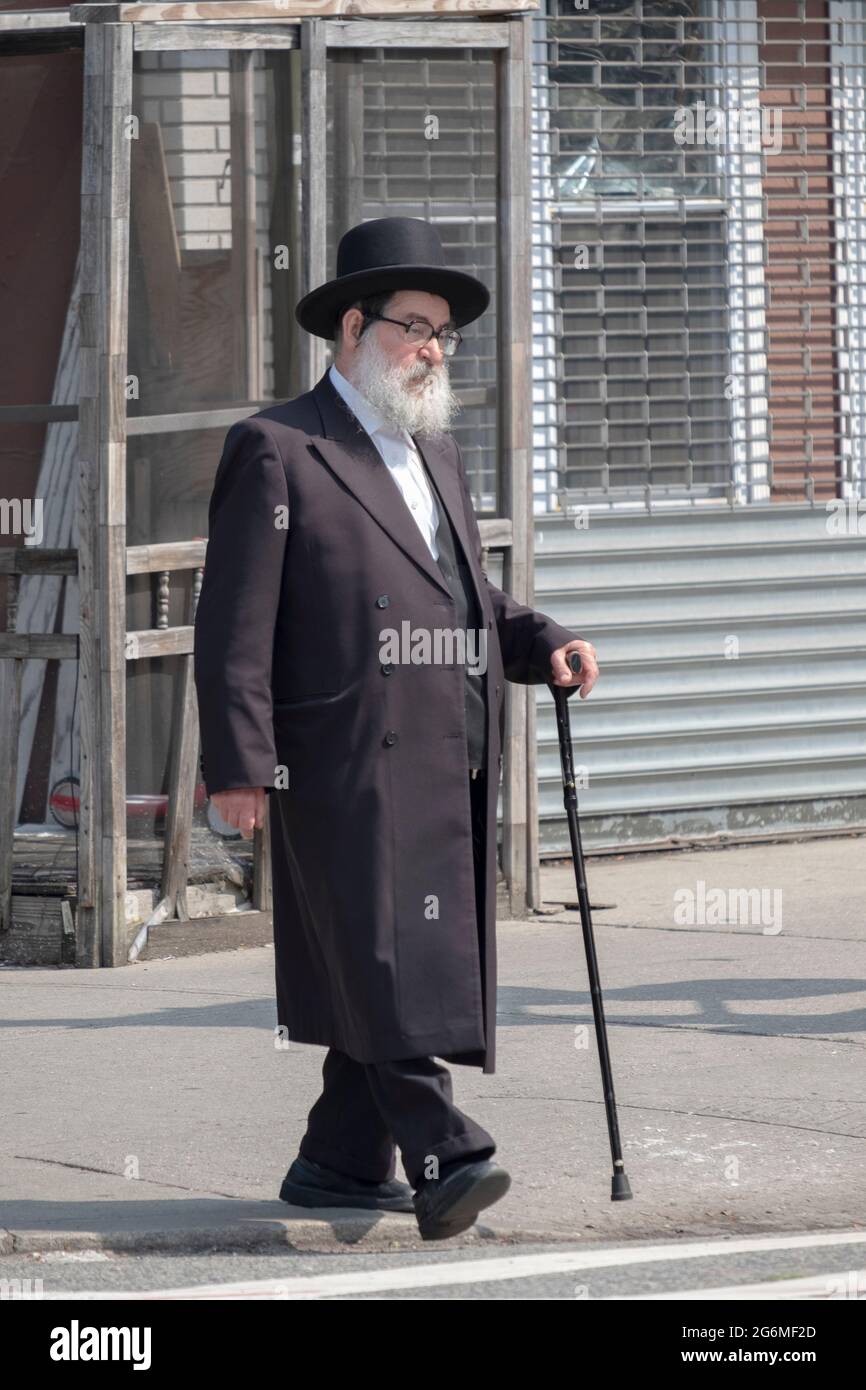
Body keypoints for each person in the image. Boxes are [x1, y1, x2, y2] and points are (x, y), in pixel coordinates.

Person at [193, 217, 598, 1241]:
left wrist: (538, 636)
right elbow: (233, 622)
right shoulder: (278, 446)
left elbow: (460, 595)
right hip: (331, 759)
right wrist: (238, 763)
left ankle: (337, 1160)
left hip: (440, 752)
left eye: (442, 334)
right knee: (376, 954)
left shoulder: (434, 450)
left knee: (381, 952)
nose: (430, 348)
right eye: (413, 327)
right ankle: (444, 1154)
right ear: (352, 326)